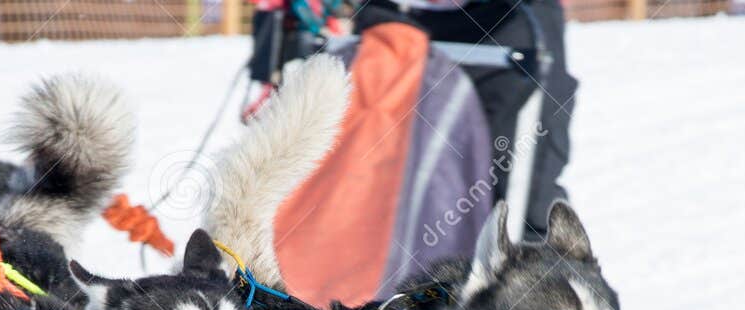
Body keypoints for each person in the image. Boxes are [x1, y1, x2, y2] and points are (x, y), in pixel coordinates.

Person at [245, 0, 576, 242]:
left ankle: (531, 303)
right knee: (360, 181)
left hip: (511, 18)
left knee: (523, 186)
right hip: (394, 15)